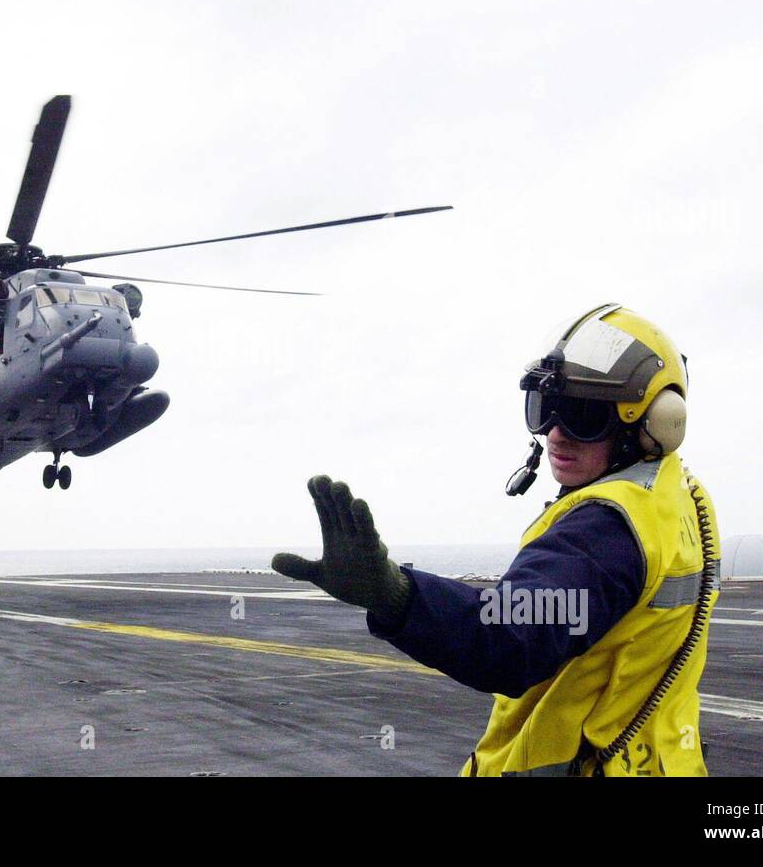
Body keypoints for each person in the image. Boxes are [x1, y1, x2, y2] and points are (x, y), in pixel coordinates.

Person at [272, 304, 720, 776]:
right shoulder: (678, 497)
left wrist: (395, 596)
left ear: (655, 423)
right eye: (546, 410)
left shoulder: (605, 530)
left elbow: (512, 638)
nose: (555, 434)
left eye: (584, 416)